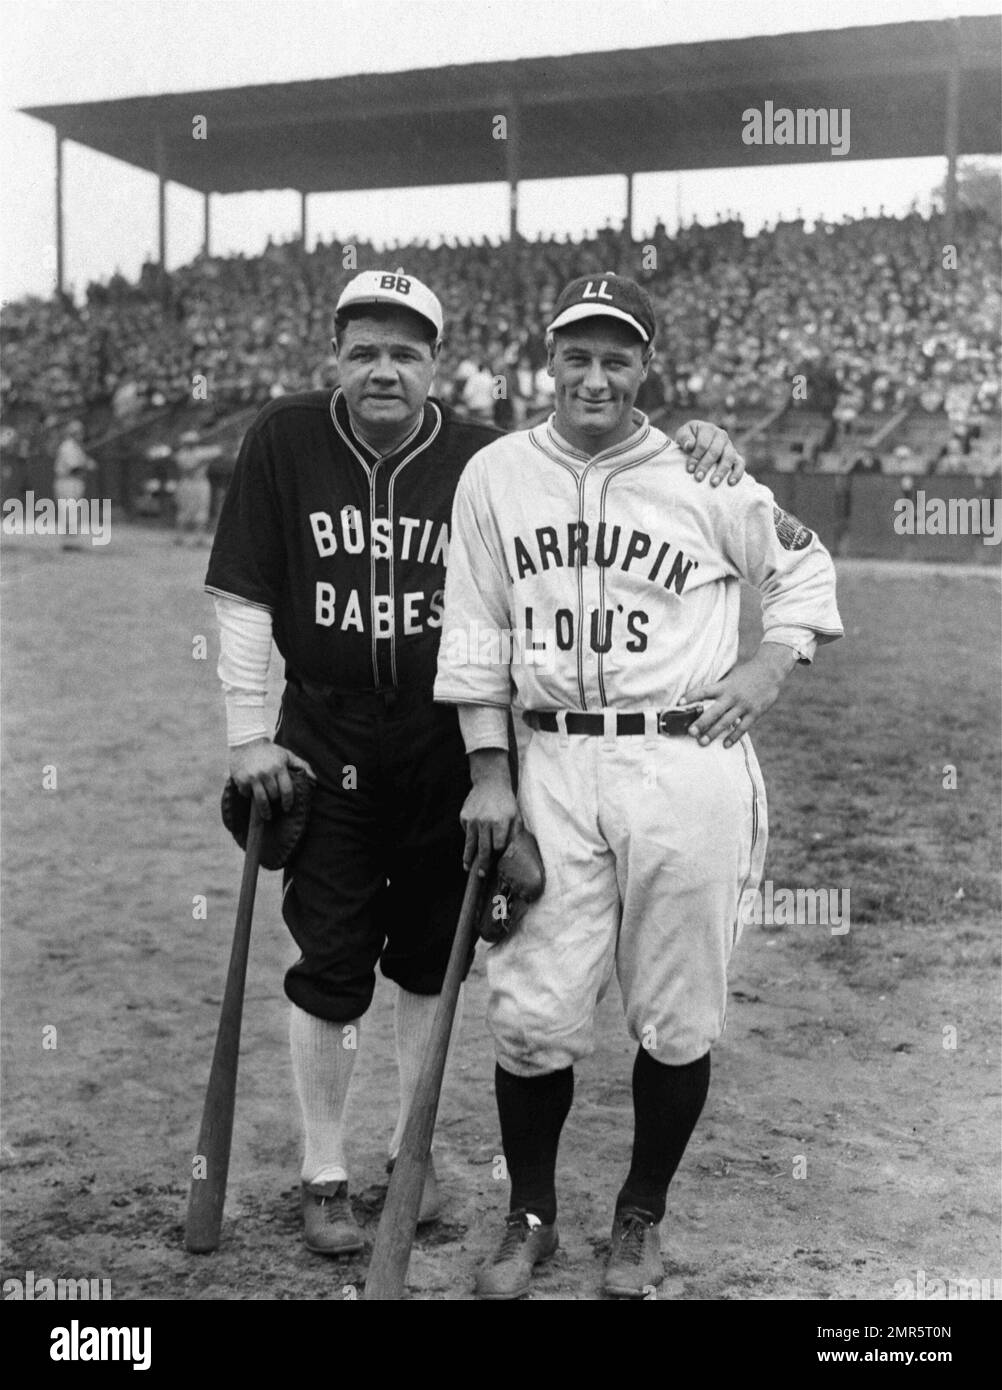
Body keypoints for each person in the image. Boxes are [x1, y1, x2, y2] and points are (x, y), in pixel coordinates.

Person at [204, 269, 746, 1259]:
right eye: (365, 349)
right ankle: (325, 1171)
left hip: (445, 740)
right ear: (335, 354)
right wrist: (248, 732)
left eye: (405, 353)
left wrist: (700, 439)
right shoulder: (283, 439)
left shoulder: (481, 458)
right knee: (328, 963)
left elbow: (585, 491)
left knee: (429, 956)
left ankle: (412, 1156)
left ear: (434, 365)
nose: (384, 369)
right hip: (321, 737)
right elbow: (243, 595)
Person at [434, 272, 844, 1299]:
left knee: (677, 1012)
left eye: (618, 356)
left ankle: (640, 1215)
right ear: (552, 357)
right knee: (529, 1013)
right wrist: (489, 770)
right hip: (553, 762)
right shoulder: (493, 474)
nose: (595, 374)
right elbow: (475, 633)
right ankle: (530, 1216)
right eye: (579, 352)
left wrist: (766, 665)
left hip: (683, 759)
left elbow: (804, 568)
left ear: (645, 368)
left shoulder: (705, 473)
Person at [52, 420, 97, 551]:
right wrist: (87, 466)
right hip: (68, 481)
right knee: (70, 511)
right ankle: (69, 543)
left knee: (70, 511)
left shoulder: (75, 447)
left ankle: (68, 541)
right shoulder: (68, 446)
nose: (81, 435)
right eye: (78, 432)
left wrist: (87, 463)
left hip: (71, 481)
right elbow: (74, 468)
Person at [173, 429, 222, 546]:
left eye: (193, 442)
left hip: (201, 483)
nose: (191, 444)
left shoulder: (201, 452)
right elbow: (189, 468)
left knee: (202, 509)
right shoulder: (181, 454)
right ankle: (180, 536)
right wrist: (202, 461)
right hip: (187, 483)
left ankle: (200, 538)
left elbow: (219, 450)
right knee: (184, 509)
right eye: (189, 442)